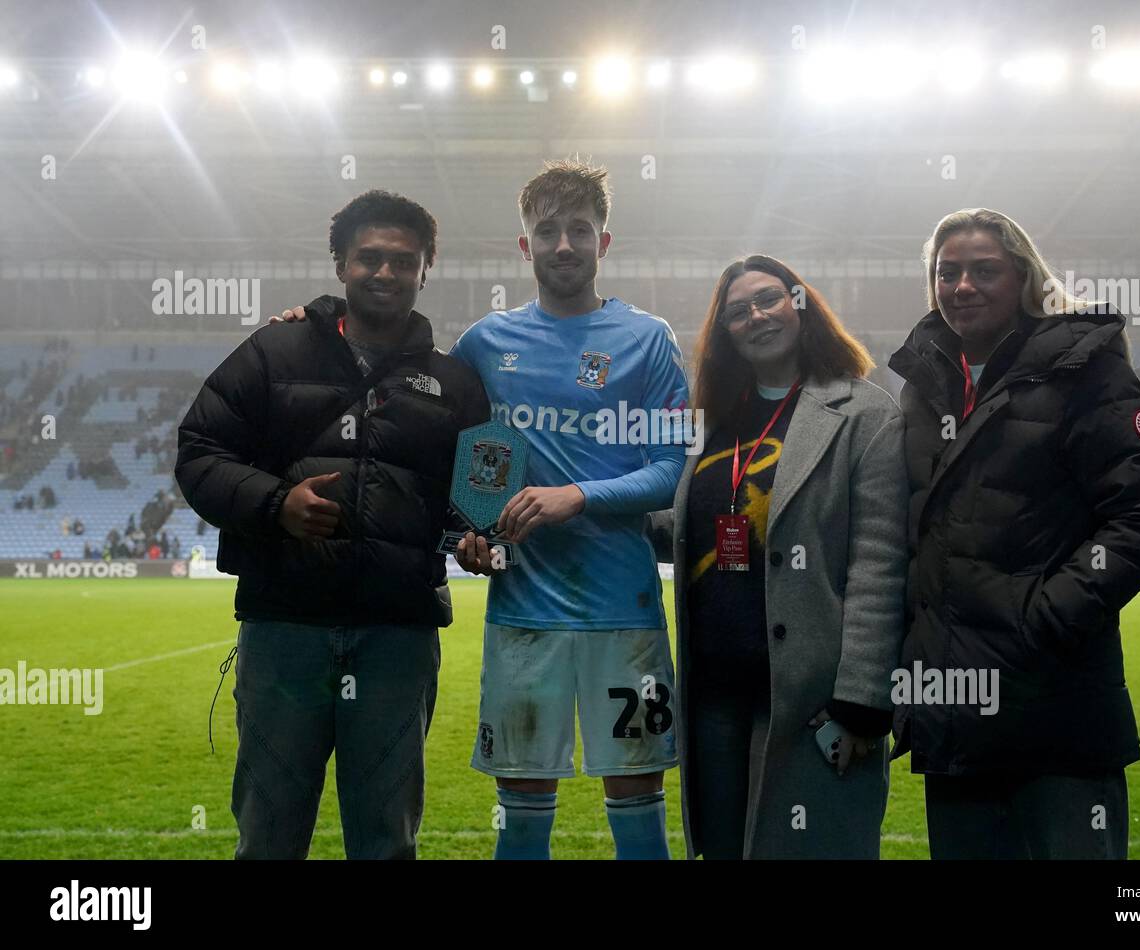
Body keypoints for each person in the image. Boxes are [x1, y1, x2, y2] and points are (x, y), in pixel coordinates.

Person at [271, 161, 690, 861]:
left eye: (579, 230)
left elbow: (671, 469)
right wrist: (468, 536)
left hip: (627, 612)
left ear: (603, 243)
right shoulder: (485, 346)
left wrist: (574, 496)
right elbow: (447, 457)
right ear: (525, 247)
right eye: (547, 231)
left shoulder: (649, 340)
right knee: (521, 821)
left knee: (639, 820)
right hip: (521, 615)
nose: (563, 245)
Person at [176, 189, 490, 859]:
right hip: (285, 627)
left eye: (402, 261)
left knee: (386, 839)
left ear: (426, 269)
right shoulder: (272, 352)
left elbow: (471, 504)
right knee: (268, 833)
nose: (384, 273)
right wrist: (274, 503)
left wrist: (478, 539)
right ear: (341, 265)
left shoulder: (457, 385)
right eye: (368, 258)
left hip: (396, 638)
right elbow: (200, 451)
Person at [888, 208, 1140, 859]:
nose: (962, 285)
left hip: (1056, 714)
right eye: (948, 272)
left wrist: (1044, 616)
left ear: (1024, 277)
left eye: (984, 270)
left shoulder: (1084, 370)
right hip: (955, 722)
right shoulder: (921, 389)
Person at [649, 255, 907, 858]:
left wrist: (863, 699)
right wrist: (587, 503)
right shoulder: (709, 422)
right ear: (724, 331)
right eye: (737, 311)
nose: (756, 316)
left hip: (809, 695)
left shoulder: (864, 413)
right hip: (713, 692)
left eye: (770, 299)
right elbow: (688, 532)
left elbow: (880, 560)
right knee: (719, 848)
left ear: (800, 303)